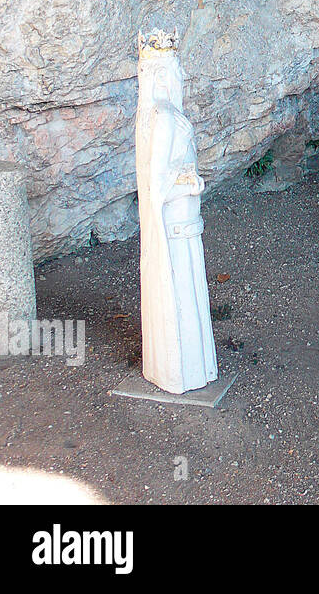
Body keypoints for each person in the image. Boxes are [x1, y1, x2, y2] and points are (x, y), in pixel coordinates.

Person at [136, 30, 218, 394]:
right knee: (183, 296)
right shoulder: (165, 118)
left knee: (188, 297)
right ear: (159, 77)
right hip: (176, 229)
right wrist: (190, 184)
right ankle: (183, 370)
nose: (178, 77)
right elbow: (157, 189)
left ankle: (187, 369)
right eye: (172, 70)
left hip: (184, 227)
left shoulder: (163, 116)